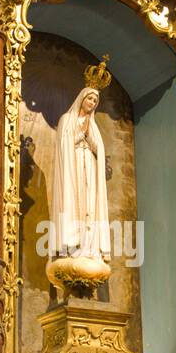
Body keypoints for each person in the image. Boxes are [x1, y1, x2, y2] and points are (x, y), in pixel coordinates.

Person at [50, 85, 111, 266]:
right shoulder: (66, 119)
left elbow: (98, 148)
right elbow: (64, 144)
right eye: (89, 99)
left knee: (90, 206)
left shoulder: (93, 125)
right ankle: (72, 244)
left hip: (89, 168)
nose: (91, 103)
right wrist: (80, 134)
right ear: (81, 99)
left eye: (95, 101)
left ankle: (89, 246)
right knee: (73, 203)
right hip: (73, 165)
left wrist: (88, 136)